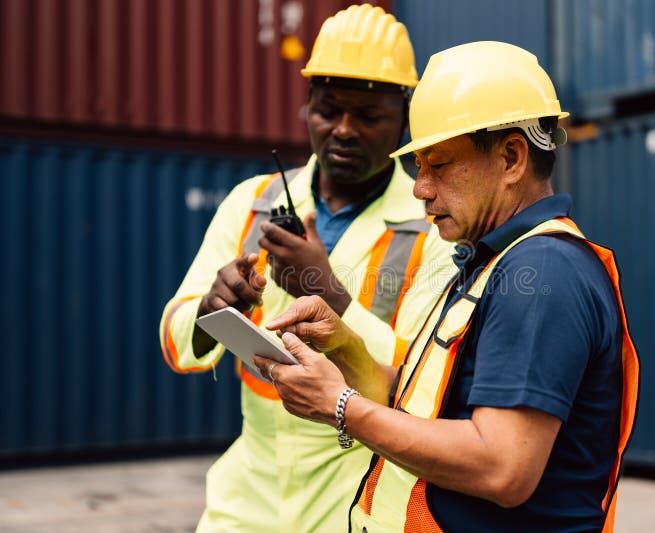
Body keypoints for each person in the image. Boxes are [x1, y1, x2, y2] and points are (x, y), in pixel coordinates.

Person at [255, 41, 640, 532]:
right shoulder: (491, 262)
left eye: (438, 164)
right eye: (419, 166)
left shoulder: (542, 272)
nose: (420, 187)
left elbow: (501, 466)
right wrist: (344, 346)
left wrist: (340, 406)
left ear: (511, 158)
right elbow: (422, 404)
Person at [158, 5, 455, 532]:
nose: (344, 130)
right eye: (329, 110)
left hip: (357, 494)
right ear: (307, 105)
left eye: (368, 116)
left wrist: (327, 291)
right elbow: (178, 341)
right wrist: (213, 307)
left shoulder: (434, 228)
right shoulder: (251, 202)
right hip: (247, 501)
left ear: (403, 120)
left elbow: (421, 386)